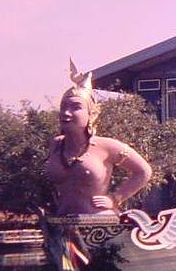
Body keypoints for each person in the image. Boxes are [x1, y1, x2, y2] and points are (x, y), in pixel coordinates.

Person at [45, 63, 152, 215]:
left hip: (98, 226)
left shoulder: (107, 146)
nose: (66, 112)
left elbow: (143, 172)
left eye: (76, 107)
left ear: (91, 113)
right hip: (62, 223)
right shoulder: (57, 144)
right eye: (64, 106)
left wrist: (115, 198)